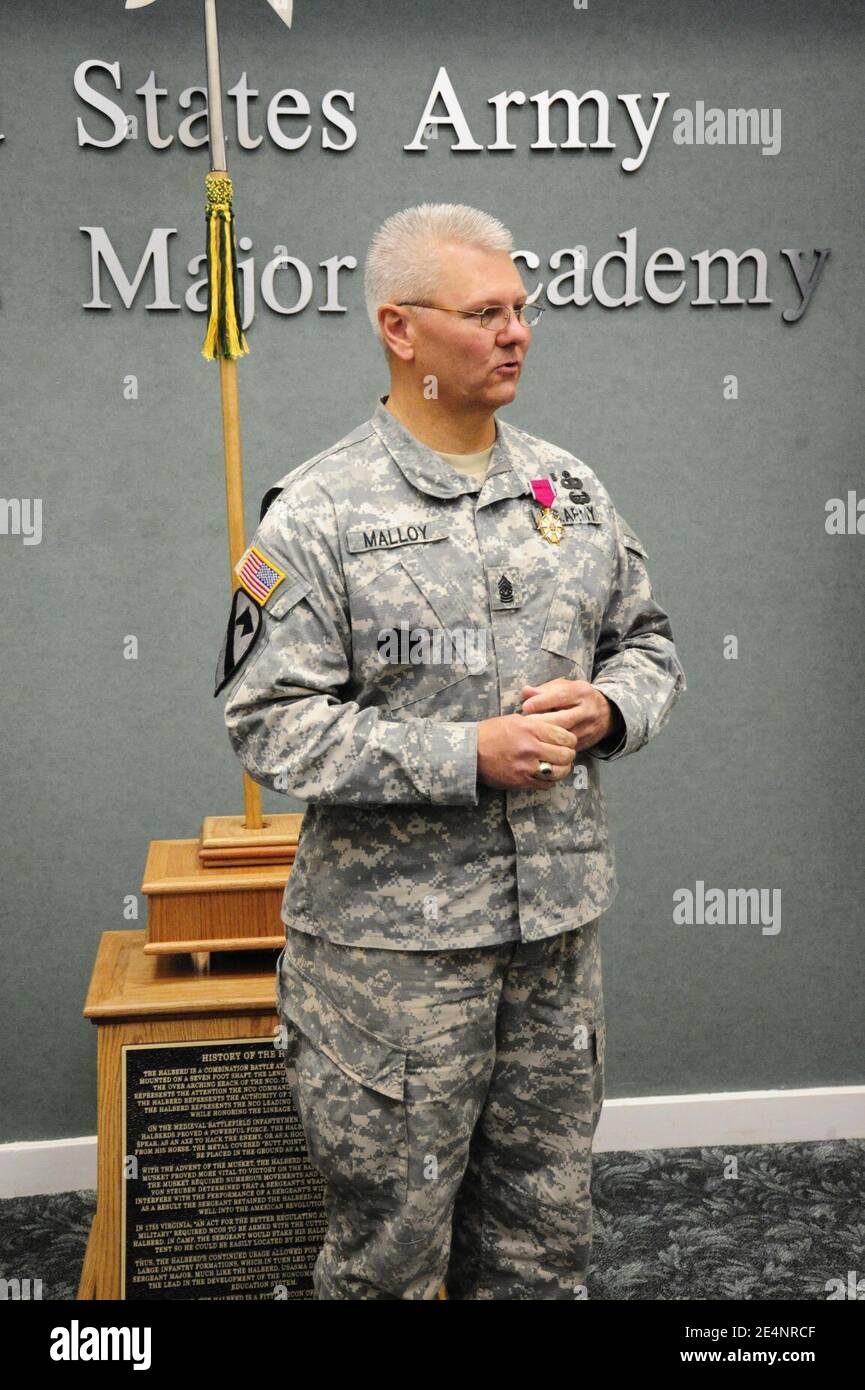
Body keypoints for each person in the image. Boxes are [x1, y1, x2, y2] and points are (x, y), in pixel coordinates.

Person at [216, 202, 687, 1299]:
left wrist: (608, 712)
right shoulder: (316, 513)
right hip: (391, 970)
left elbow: (649, 644)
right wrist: (459, 754)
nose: (517, 330)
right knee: (388, 1256)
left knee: (540, 1246)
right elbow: (266, 720)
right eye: (485, 312)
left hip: (554, 949)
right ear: (399, 329)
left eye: (521, 308)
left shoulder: (566, 488)